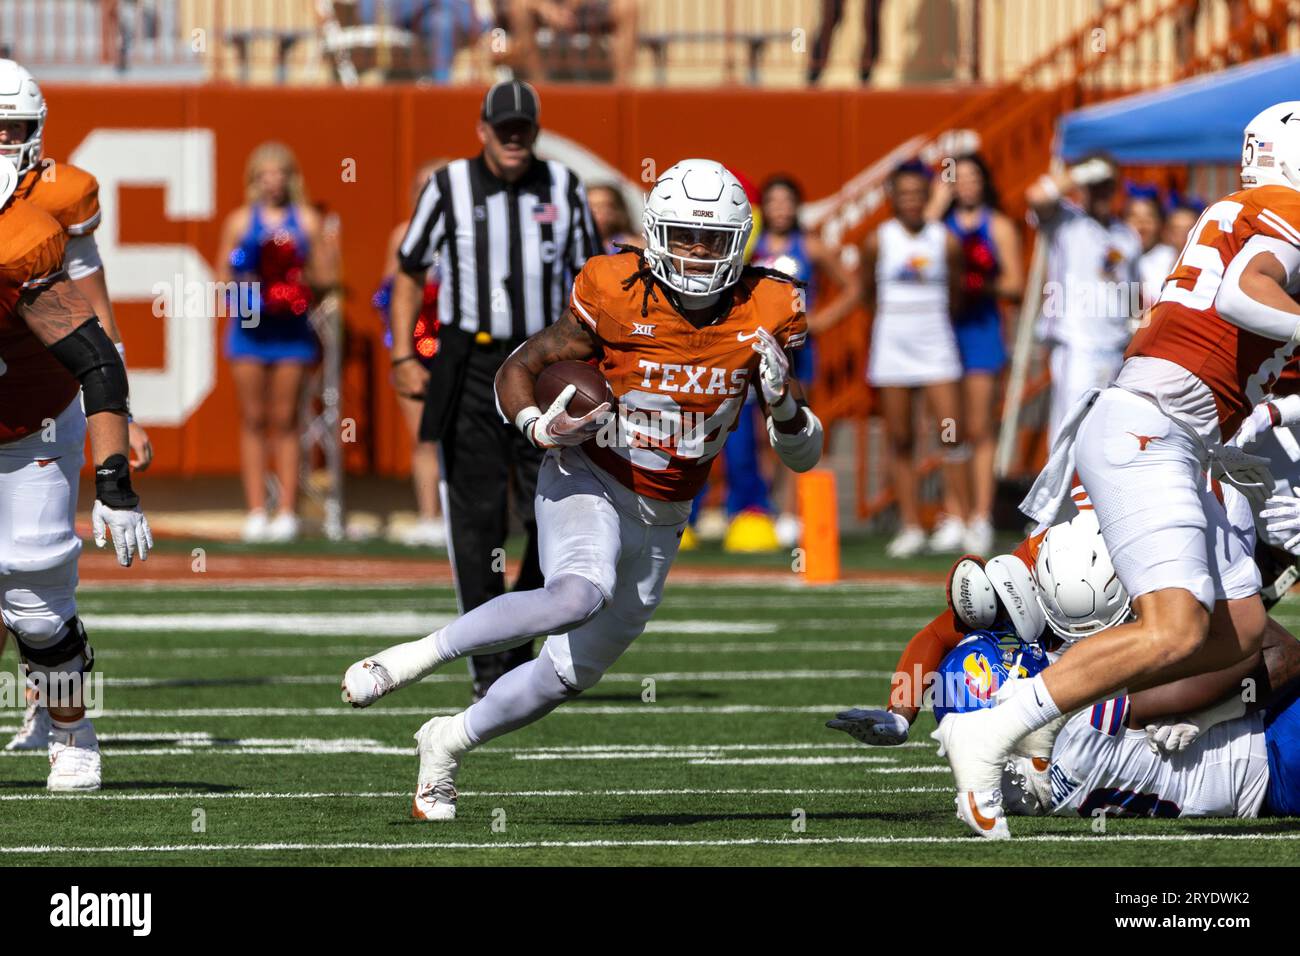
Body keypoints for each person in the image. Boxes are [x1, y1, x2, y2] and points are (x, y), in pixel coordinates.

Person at [341, 159, 821, 820]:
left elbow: (803, 454)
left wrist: (785, 406)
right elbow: (521, 365)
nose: (698, 253)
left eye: (712, 240)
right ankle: (414, 657)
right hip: (591, 472)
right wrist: (537, 425)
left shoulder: (771, 304)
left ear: (741, 242)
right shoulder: (614, 287)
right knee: (576, 592)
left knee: (567, 674)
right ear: (654, 233)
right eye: (683, 235)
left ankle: (446, 741)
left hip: (666, 509)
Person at [934, 102, 1300, 839]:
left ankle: (1061, 712)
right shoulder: (1282, 209)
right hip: (1152, 429)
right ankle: (999, 726)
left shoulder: (1239, 206)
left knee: (1238, 630)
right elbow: (1241, 292)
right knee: (1173, 629)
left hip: (1171, 428)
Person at [388, 80, 599, 701]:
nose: (512, 138)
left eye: (522, 128)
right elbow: (407, 270)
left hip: (544, 363)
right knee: (475, 515)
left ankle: (519, 637)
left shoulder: (563, 187)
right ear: (482, 129)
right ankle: (488, 663)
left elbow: (592, 278)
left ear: (534, 131)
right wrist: (404, 352)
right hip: (473, 362)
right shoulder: (448, 185)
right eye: (502, 127)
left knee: (554, 508)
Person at [0, 59, 154, 753]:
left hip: (36, 410)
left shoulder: (39, 221)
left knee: (34, 598)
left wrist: (116, 455)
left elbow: (90, 334)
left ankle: (65, 723)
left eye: (15, 128)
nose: (6, 138)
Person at [850, 160, 970, 558]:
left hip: (935, 338)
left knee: (950, 432)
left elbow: (955, 290)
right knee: (900, 439)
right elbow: (866, 291)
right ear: (892, 199)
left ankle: (960, 518)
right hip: (892, 344)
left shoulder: (945, 240)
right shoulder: (878, 241)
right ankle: (911, 525)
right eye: (904, 194)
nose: (912, 201)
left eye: (919, 194)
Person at [217, 142, 332, 543]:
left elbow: (324, 277)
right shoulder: (238, 221)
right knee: (252, 419)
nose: (273, 181)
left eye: (280, 172)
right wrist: (251, 290)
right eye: (265, 173)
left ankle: (286, 509)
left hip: (292, 333)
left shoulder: (307, 221)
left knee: (286, 420)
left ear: (291, 177)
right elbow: (223, 279)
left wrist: (295, 285)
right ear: (254, 179)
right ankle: (254, 509)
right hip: (249, 331)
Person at [756, 174, 859, 547]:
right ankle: (767, 508)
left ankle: (791, 513)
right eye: (773, 202)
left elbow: (852, 286)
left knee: (792, 425)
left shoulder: (810, 245)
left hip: (798, 352)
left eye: (786, 202)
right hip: (756, 348)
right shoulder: (754, 244)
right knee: (759, 434)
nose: (780, 209)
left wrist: (820, 320)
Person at [927, 153, 1024, 554]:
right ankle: (954, 512)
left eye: (972, 177)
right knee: (948, 427)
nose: (965, 185)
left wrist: (978, 283)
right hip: (941, 333)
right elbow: (917, 242)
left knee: (980, 427)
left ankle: (980, 515)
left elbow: (1015, 284)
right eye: (956, 178)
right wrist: (937, 197)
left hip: (980, 332)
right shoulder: (940, 225)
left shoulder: (997, 224)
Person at [1028, 155, 1142, 443]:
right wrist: (1080, 173)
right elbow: (1036, 195)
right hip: (1076, 346)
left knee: (1106, 436)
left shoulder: (1126, 234)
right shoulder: (1065, 220)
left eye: (1108, 185)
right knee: (1069, 434)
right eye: (1096, 185)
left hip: (1115, 347)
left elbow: (1131, 289)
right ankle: (1060, 491)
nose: (1102, 193)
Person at [374, 160, 447, 548]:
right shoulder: (403, 234)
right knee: (424, 436)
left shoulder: (468, 233)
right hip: (418, 347)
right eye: (422, 185)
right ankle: (429, 515)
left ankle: (465, 515)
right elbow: (390, 291)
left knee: (466, 437)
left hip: (461, 347)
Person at [1124, 187, 1176, 310]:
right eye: (1134, 217)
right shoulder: (1118, 256)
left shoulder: (1171, 258)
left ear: (1160, 223)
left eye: (1149, 218)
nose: (1141, 225)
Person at [586, 183, 641, 253]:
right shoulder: (576, 248)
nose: (597, 212)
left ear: (618, 211)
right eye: (591, 206)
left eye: (604, 207)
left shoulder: (630, 245)